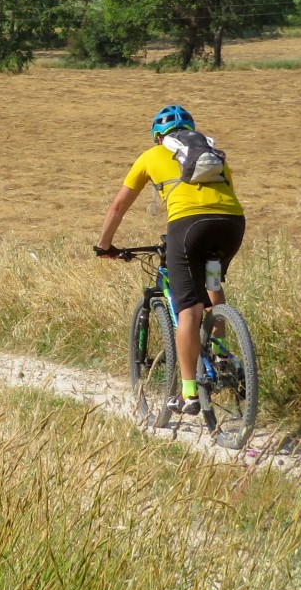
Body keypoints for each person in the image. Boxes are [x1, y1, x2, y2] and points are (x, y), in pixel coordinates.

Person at [95, 105, 246, 415]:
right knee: (211, 278)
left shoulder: (152, 156)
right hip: (230, 225)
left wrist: (104, 245)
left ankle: (188, 392)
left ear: (157, 136)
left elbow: (118, 206)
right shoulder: (212, 155)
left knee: (188, 308)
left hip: (189, 228)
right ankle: (221, 354)